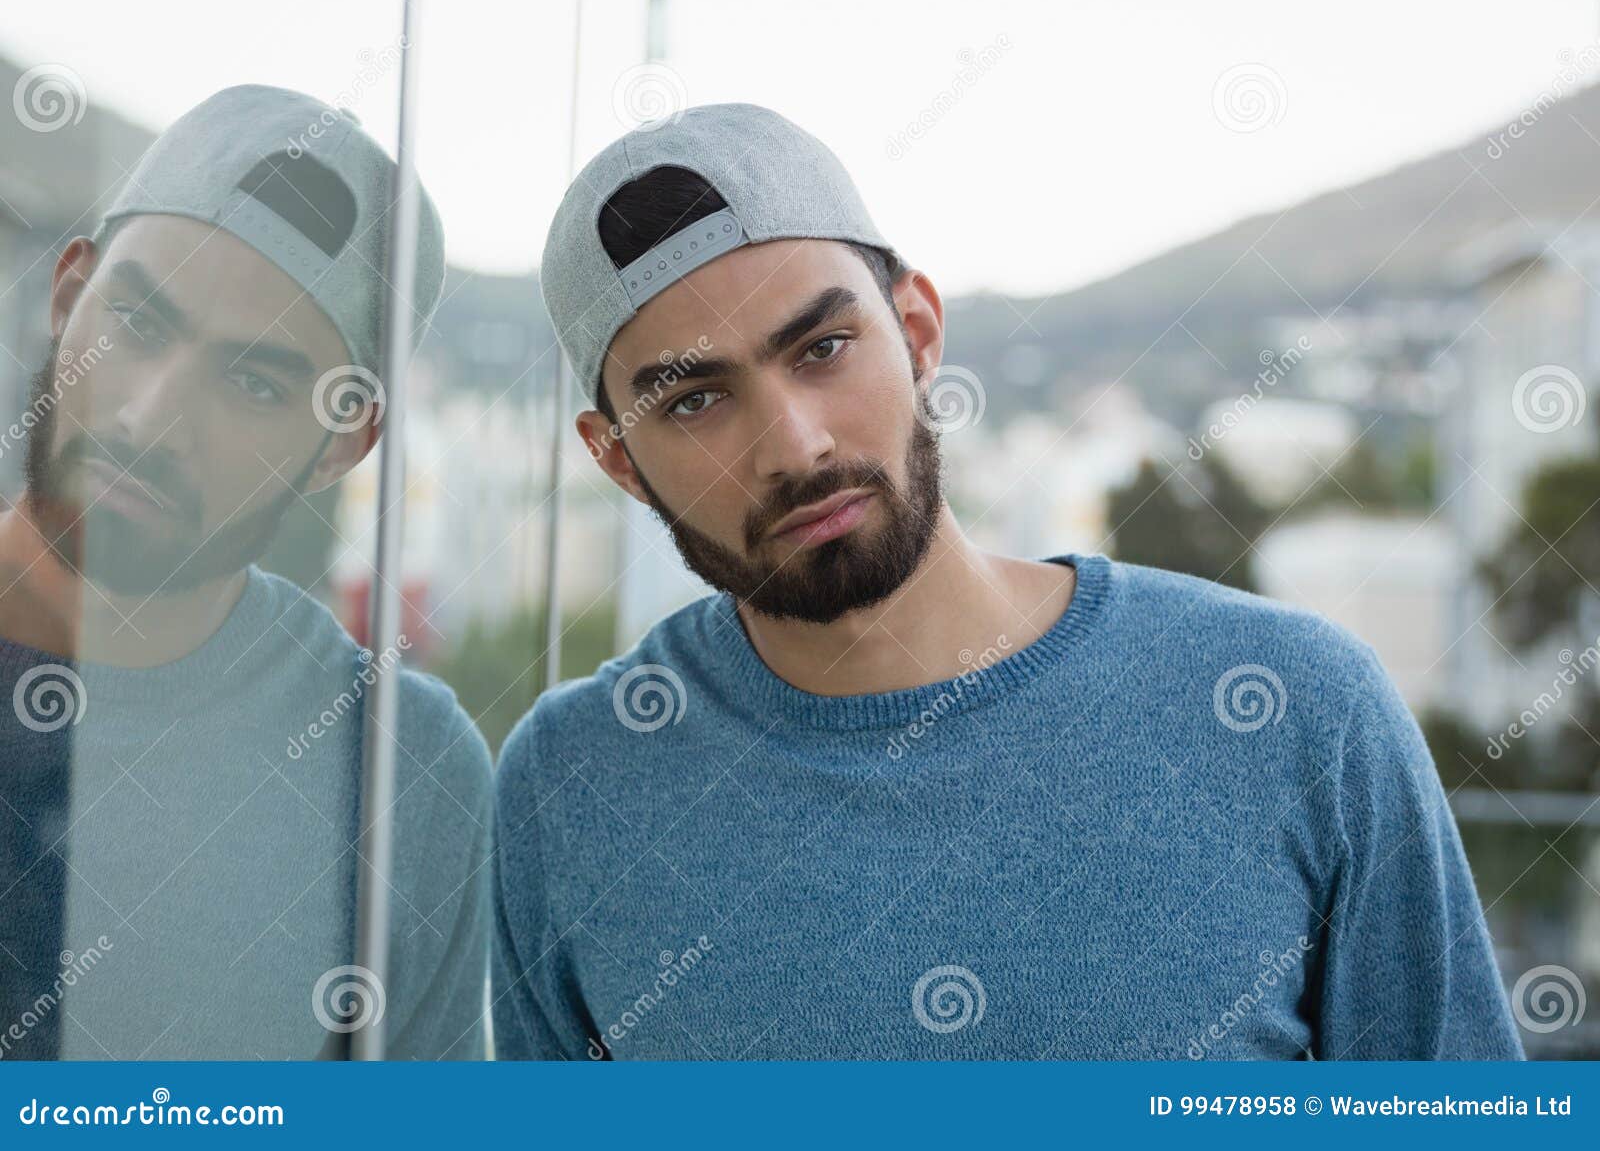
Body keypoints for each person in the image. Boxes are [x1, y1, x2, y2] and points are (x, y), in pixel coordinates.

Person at [491, 103, 1524, 1060]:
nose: (793, 446)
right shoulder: (571, 781)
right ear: (616, 456)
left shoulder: (1295, 706)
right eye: (694, 400)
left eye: (823, 348)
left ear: (920, 333)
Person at [0, 85, 490, 1059]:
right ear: (68, 296)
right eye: (137, 325)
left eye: (254, 380)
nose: (149, 419)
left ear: (341, 443)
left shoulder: (400, 769)